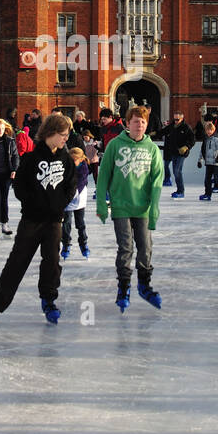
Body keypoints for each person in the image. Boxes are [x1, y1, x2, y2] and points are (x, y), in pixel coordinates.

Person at [0, 113, 77, 325]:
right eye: (62, 134)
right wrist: (34, 202)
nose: (65, 139)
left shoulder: (65, 158)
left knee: (52, 262)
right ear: (51, 133)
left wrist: (59, 203)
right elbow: (20, 187)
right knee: (18, 261)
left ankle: (49, 300)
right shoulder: (31, 159)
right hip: (32, 220)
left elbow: (72, 183)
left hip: (54, 220)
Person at [96, 104, 164, 311]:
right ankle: (123, 287)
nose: (140, 125)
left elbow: (157, 180)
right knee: (126, 248)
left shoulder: (152, 148)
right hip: (121, 206)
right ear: (127, 123)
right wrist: (101, 202)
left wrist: (154, 209)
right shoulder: (115, 145)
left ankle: (144, 285)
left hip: (142, 207)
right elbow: (104, 176)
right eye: (136, 121)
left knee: (145, 248)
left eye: (143, 122)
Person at [157, 110, 195, 197]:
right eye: (174, 119)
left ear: (182, 118)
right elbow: (162, 132)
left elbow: (192, 139)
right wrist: (152, 134)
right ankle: (179, 190)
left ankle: (181, 191)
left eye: (177, 119)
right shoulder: (172, 126)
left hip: (182, 153)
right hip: (173, 152)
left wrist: (186, 147)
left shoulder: (186, 127)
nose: (176, 121)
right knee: (175, 172)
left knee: (177, 171)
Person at [61, 147, 90, 259]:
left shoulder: (84, 169)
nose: (72, 162)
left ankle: (83, 244)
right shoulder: (66, 167)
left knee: (80, 223)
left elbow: (80, 183)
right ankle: (66, 244)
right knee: (66, 223)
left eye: (74, 160)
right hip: (67, 199)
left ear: (81, 159)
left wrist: (69, 192)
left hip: (79, 198)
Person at [197, 120, 218, 202]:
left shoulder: (216, 138)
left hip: (216, 162)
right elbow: (202, 150)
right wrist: (200, 160)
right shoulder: (206, 140)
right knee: (207, 179)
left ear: (213, 130)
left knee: (217, 178)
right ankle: (208, 194)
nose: (208, 132)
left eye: (210, 130)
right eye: (207, 130)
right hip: (208, 162)